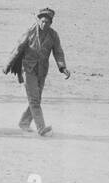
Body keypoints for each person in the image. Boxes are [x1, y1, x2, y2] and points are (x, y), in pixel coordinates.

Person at [5, 7, 70, 136]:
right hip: (28, 69)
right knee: (34, 100)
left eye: (47, 22)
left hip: (42, 71)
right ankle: (41, 128)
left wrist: (62, 67)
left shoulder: (53, 35)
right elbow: (18, 48)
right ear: (38, 20)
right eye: (42, 21)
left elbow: (58, 52)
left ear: (51, 23)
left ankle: (24, 122)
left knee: (36, 99)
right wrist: (8, 64)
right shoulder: (30, 32)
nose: (44, 24)